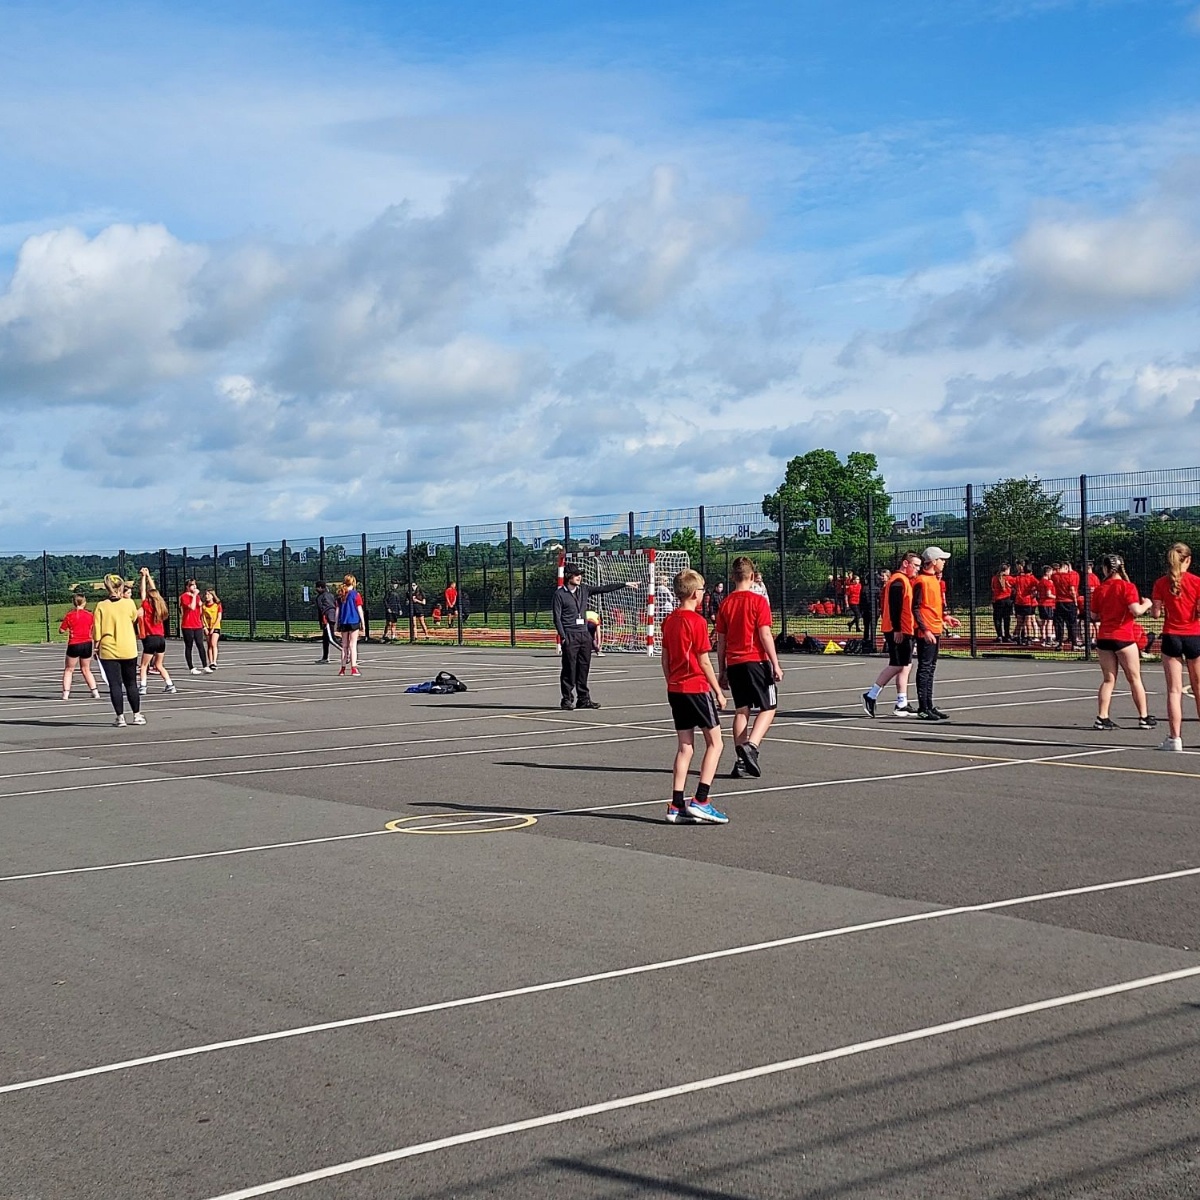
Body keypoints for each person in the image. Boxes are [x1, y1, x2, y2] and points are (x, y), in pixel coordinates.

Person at [662, 570, 728, 824]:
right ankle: (701, 800)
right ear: (693, 593)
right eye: (701, 590)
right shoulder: (697, 622)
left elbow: (665, 659)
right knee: (716, 743)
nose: (703, 594)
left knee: (685, 747)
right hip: (696, 688)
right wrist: (718, 692)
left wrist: (672, 682)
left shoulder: (669, 621)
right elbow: (704, 661)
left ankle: (677, 804)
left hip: (676, 689)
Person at [716, 555, 783, 779]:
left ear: (732, 577)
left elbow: (721, 642)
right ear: (753, 576)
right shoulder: (758, 601)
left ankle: (740, 760)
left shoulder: (725, 604)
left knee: (741, 709)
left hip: (735, 663)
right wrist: (775, 663)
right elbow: (764, 634)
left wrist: (722, 669)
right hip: (756, 660)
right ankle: (751, 746)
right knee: (769, 706)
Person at [552, 563, 640, 709]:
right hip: (570, 635)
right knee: (569, 669)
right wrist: (563, 637)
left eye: (580, 574)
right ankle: (567, 699)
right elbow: (557, 617)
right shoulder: (559, 595)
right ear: (568, 577)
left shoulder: (584, 590)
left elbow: (603, 588)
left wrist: (625, 584)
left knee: (584, 668)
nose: (579, 577)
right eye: (576, 574)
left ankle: (583, 699)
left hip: (584, 635)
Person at [1091, 552, 1156, 731]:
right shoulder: (1127, 587)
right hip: (1124, 637)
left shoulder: (1100, 589)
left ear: (1105, 569)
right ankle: (1143, 716)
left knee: (1108, 680)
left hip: (1104, 637)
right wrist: (1148, 604)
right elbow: (1136, 610)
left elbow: (1094, 615)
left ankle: (1102, 717)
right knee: (1134, 678)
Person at [1150, 542, 1200, 751]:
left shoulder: (1161, 583)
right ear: (1188, 560)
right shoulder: (1197, 582)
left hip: (1172, 635)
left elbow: (1155, 614)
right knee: (1198, 688)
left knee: (1174, 690)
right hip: (1194, 635)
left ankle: (1175, 738)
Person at [862, 552, 921, 717]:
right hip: (897, 629)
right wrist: (897, 629)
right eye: (915, 565)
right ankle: (871, 694)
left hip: (905, 628)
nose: (917, 569)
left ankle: (901, 703)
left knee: (905, 665)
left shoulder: (904, 581)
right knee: (897, 664)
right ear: (905, 564)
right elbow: (895, 607)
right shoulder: (898, 581)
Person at [911, 546, 960, 720]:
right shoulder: (921, 581)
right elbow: (915, 608)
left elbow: (932, 606)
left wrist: (945, 617)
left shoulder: (934, 580)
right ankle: (923, 708)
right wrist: (924, 630)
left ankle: (929, 705)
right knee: (925, 668)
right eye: (941, 559)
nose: (944, 562)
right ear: (933, 561)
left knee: (931, 668)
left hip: (935, 628)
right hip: (927, 630)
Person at [93, 573, 145, 727]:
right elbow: (134, 618)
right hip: (128, 647)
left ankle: (120, 717)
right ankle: (136, 715)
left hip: (109, 649)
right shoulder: (128, 604)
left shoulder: (101, 606)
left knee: (114, 684)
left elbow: (97, 631)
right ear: (121, 587)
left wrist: (95, 647)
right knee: (131, 683)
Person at [137, 568, 176, 696]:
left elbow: (143, 591)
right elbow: (154, 592)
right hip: (161, 639)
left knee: (143, 665)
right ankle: (170, 684)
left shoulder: (147, 606)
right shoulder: (160, 606)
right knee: (159, 665)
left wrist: (143, 577)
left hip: (150, 639)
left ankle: (143, 686)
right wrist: (149, 576)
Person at [59, 592, 102, 701]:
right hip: (87, 643)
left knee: (69, 669)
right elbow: (94, 628)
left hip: (74, 644)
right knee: (86, 669)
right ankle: (95, 691)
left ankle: (66, 694)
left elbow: (61, 630)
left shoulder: (70, 615)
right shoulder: (90, 615)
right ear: (84, 602)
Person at [179, 579, 211, 674]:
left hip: (197, 624)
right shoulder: (184, 596)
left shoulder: (197, 597)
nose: (194, 587)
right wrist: (194, 596)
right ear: (187, 587)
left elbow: (200, 607)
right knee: (189, 646)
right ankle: (191, 667)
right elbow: (192, 607)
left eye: (195, 585)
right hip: (187, 625)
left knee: (200, 644)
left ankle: (205, 665)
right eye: (192, 585)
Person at [336, 574, 365, 675]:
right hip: (353, 621)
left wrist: (336, 623)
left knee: (344, 646)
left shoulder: (341, 594)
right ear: (353, 582)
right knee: (353, 645)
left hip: (344, 621)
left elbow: (337, 610)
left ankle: (342, 669)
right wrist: (363, 623)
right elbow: (359, 609)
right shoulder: (356, 594)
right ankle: (353, 668)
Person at [1054, 560, 1080, 649]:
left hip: (1059, 602)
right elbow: (1072, 590)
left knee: (1060, 624)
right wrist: (1076, 602)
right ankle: (1074, 644)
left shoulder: (1055, 576)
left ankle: (1060, 643)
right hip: (1069, 602)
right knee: (1072, 623)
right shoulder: (1071, 575)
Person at [314, 581, 340, 663]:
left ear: (320, 588)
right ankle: (325, 657)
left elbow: (325, 608)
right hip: (331, 618)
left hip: (327, 619)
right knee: (325, 639)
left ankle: (346, 652)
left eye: (317, 587)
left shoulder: (320, 597)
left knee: (331, 638)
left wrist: (325, 619)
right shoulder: (331, 595)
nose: (316, 589)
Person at [1013, 562, 1038, 645]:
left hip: (1018, 601)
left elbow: (1011, 584)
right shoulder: (1031, 578)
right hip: (1027, 602)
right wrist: (1034, 593)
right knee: (1028, 621)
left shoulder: (1018, 578)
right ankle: (1029, 638)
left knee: (1019, 621)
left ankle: (1017, 637)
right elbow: (1039, 585)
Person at [990, 563, 1013, 642]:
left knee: (997, 619)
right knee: (1007, 619)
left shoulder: (994, 578)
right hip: (1007, 600)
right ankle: (1007, 635)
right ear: (1006, 570)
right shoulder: (1009, 578)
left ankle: (999, 635)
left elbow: (992, 588)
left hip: (997, 601)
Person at [1036, 566, 1057, 647]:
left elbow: (1038, 594)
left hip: (1041, 604)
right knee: (1049, 621)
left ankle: (1044, 638)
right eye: (1051, 572)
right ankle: (1048, 639)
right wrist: (1056, 597)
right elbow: (1048, 594)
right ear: (1047, 572)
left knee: (1044, 622)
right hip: (1048, 604)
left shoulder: (1040, 582)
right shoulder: (1047, 582)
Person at [202, 588, 223, 669]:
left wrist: (213, 628)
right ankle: (210, 662)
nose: (207, 596)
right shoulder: (203, 606)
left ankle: (214, 661)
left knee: (213, 643)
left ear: (212, 596)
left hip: (216, 626)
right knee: (209, 645)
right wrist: (205, 627)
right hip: (207, 627)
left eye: (208, 594)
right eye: (206, 594)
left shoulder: (217, 605)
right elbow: (202, 617)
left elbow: (219, 617)